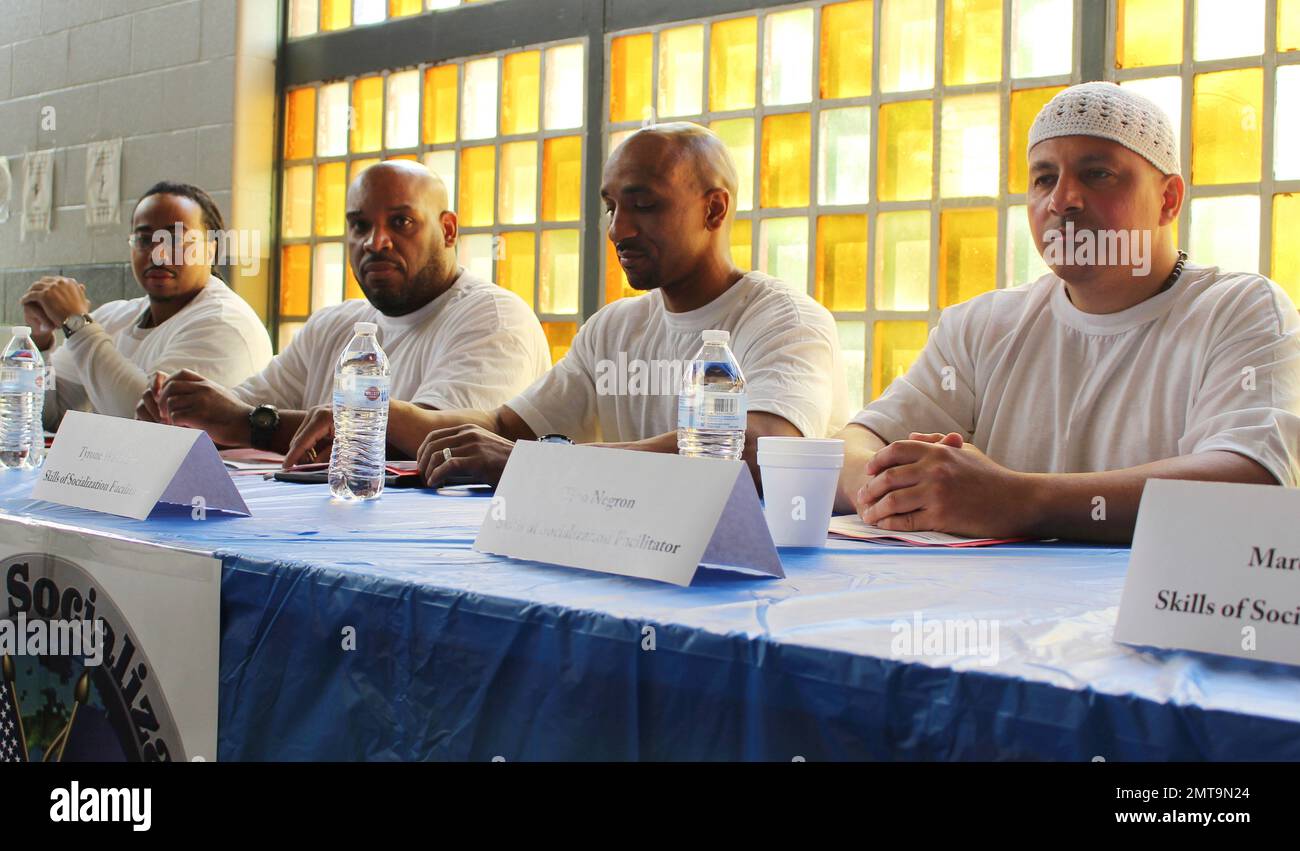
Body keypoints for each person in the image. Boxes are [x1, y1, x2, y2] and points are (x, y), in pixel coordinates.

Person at [832, 81, 1300, 543]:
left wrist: (1014, 500)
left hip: (1163, 616)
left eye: (1097, 174)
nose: (1062, 201)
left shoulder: (1240, 309)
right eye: (1044, 178)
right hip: (995, 608)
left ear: (1168, 199)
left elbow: (1250, 479)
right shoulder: (982, 326)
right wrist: (886, 490)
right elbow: (860, 443)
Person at [280, 123, 851, 485]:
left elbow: (757, 451)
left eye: (643, 205)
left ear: (714, 210)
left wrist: (546, 464)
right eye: (610, 207)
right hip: (645, 558)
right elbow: (509, 426)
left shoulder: (783, 319)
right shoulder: (615, 327)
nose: (617, 228)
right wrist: (391, 416)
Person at [136, 160, 551, 457]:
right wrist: (182, 412)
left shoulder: (492, 317)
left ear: (447, 230)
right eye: (360, 225)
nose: (375, 242)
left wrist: (248, 424)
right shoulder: (335, 325)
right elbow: (237, 406)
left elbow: (428, 443)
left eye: (401, 222)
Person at [19, 182, 272, 429]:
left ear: (210, 250)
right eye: (144, 240)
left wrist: (76, 322)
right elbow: (48, 412)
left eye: (175, 239)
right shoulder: (113, 317)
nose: (158, 254)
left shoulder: (224, 323)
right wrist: (39, 345)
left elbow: (147, 426)